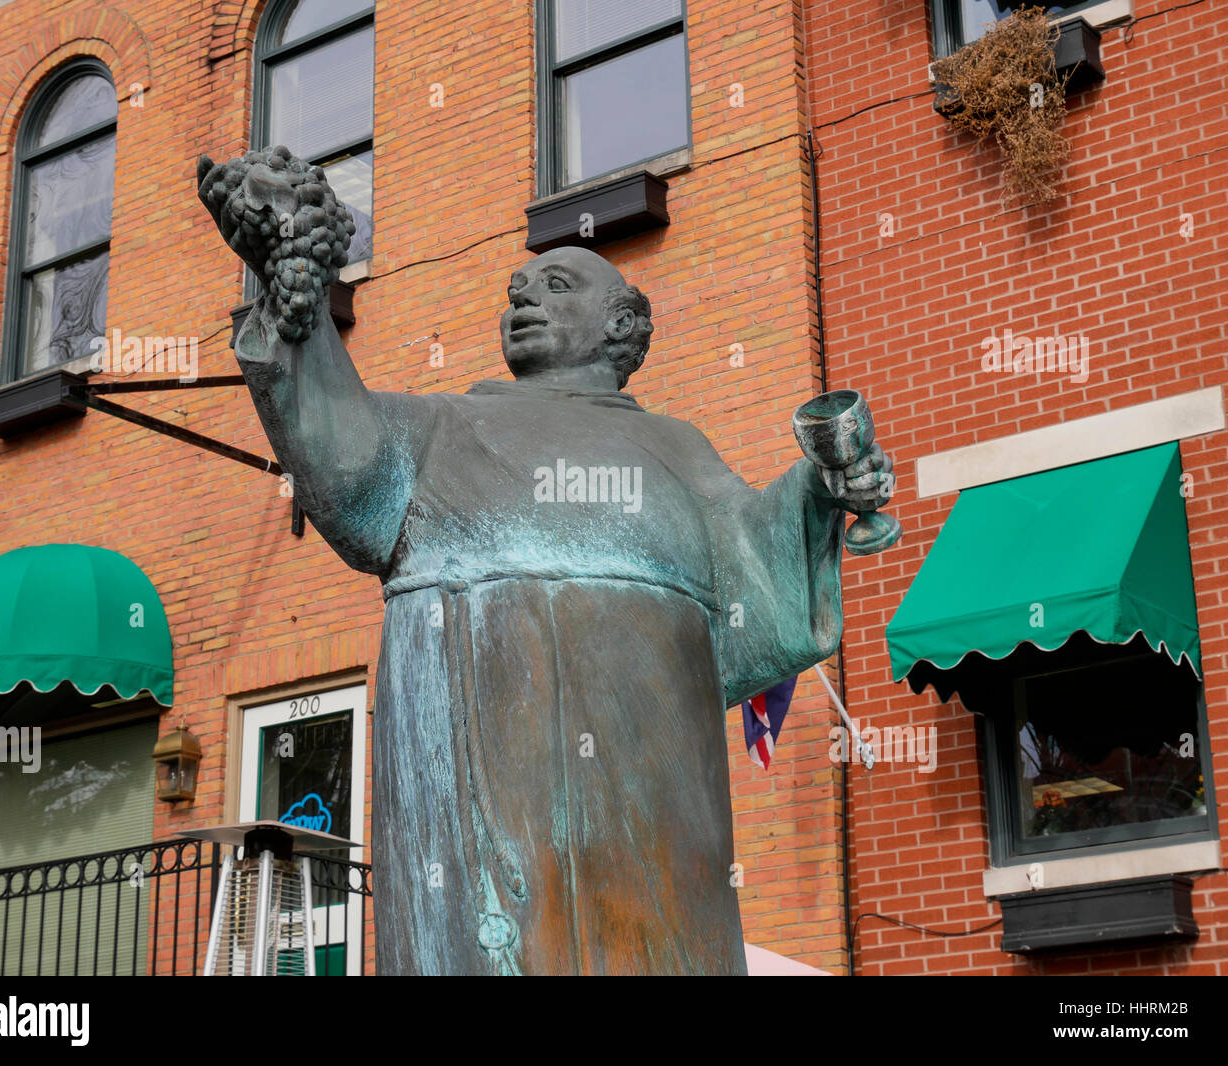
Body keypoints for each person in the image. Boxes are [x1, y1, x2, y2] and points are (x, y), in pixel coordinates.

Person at [197, 148, 894, 975]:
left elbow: (755, 576)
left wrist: (824, 489)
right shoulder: (434, 432)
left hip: (656, 842)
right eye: (516, 292)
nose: (524, 295)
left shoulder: (677, 451)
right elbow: (339, 461)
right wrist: (287, 283)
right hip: (478, 845)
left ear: (621, 326)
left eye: (558, 287)